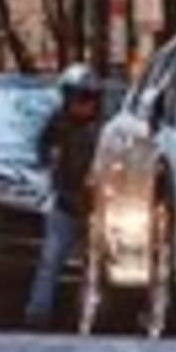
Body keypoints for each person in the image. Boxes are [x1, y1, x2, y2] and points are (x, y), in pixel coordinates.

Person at [27, 65, 112, 330]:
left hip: (97, 207)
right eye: (77, 97)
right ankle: (38, 315)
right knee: (50, 261)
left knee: (99, 265)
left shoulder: (105, 130)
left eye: (88, 98)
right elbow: (41, 148)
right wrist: (49, 167)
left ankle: (96, 316)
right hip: (66, 203)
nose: (81, 104)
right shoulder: (58, 124)